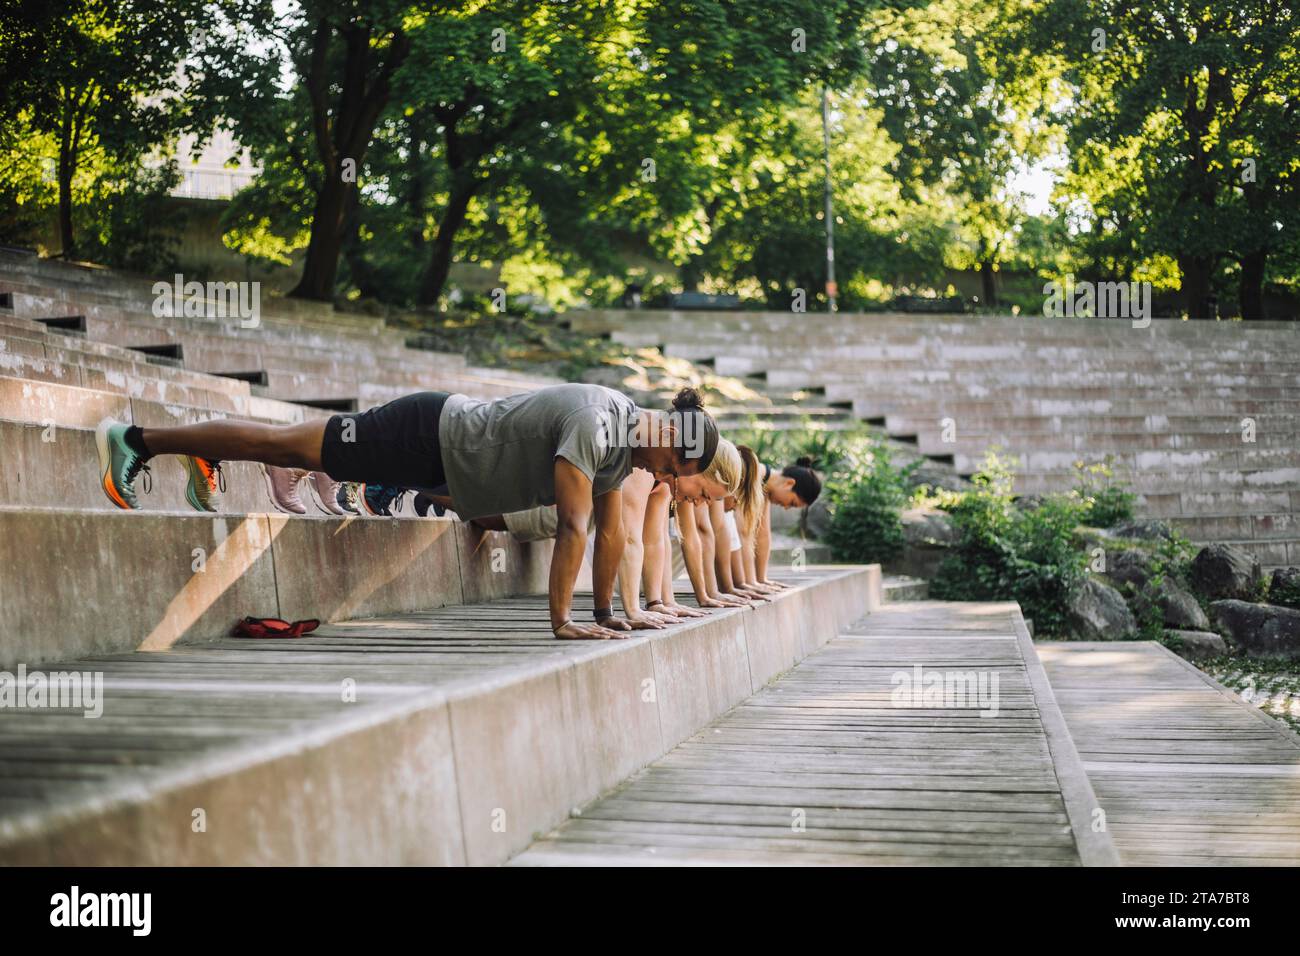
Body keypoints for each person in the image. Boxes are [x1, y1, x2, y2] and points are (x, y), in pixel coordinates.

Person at [94, 383, 719, 640]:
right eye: (673, 467)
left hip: (446, 467)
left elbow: (611, 531)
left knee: (287, 447)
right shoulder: (598, 424)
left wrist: (609, 615)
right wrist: (562, 623)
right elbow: (577, 527)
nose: (663, 480)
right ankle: (140, 440)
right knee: (276, 443)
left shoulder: (623, 453)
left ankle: (205, 454)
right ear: (671, 435)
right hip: (428, 433)